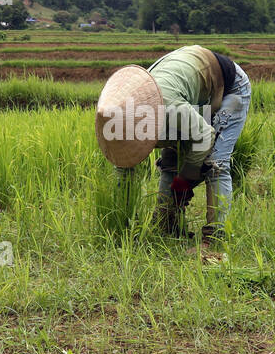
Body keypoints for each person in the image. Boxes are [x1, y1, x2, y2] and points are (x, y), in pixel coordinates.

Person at [95, 44, 251, 245]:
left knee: (216, 162)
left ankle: (215, 240)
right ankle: (167, 225)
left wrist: (184, 181)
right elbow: (124, 169)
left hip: (229, 86)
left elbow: (204, 136)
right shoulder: (116, 114)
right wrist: (121, 220)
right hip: (185, 88)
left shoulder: (168, 108)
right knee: (170, 158)